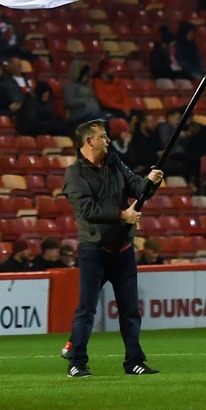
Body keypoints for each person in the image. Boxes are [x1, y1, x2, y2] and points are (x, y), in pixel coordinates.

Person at [61, 118, 162, 378]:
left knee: (130, 310)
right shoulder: (75, 173)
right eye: (103, 136)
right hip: (93, 249)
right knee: (87, 309)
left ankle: (135, 361)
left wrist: (151, 182)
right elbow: (87, 209)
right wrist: (122, 215)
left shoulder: (116, 163)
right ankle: (77, 362)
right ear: (89, 141)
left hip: (123, 249)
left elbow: (138, 189)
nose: (108, 140)